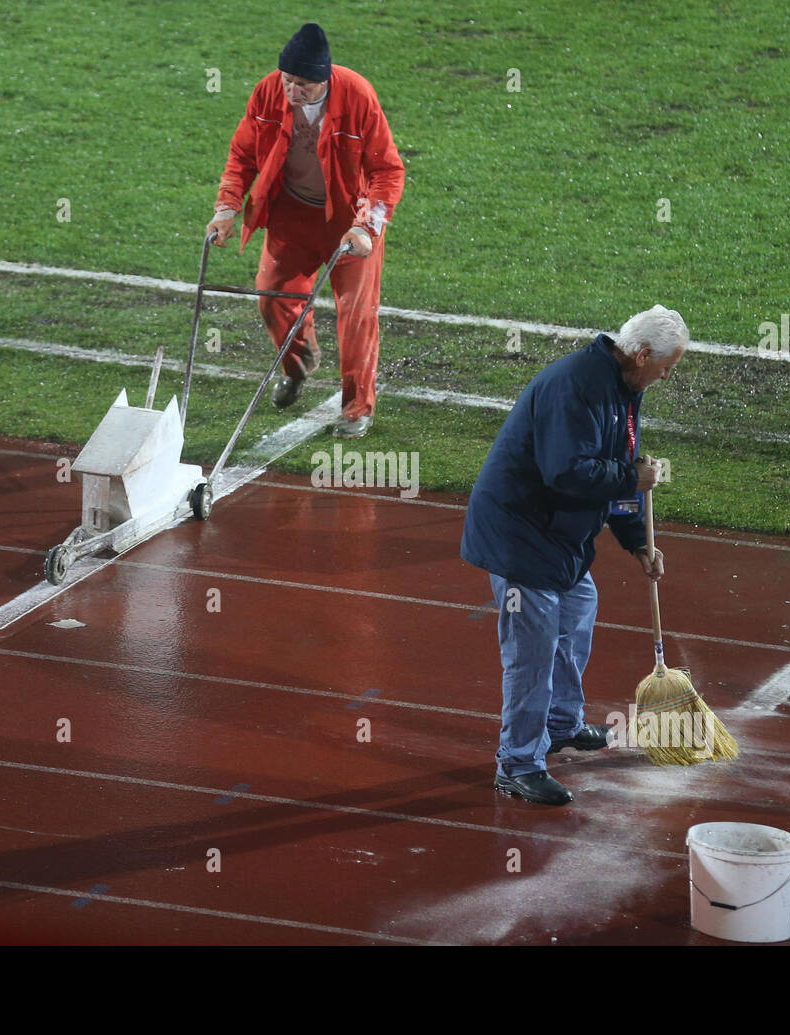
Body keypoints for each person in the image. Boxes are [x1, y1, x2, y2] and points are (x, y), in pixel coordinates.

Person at [460, 305, 689, 806]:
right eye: (668, 365)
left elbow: (620, 462)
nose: (669, 375)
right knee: (532, 655)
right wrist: (632, 479)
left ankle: (561, 724)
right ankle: (518, 764)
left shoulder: (626, 388)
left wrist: (636, 541)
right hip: (522, 539)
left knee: (577, 618)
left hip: (560, 540)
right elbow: (566, 472)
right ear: (644, 353)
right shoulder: (576, 386)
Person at [205, 22, 405, 439]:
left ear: (325, 80)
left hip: (349, 220)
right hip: (291, 213)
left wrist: (367, 227)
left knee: (356, 313)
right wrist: (227, 207)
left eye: (303, 86)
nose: (292, 92)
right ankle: (298, 365)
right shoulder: (268, 91)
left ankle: (356, 408)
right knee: (272, 296)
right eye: (287, 81)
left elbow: (387, 170)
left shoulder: (358, 96)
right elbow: (241, 154)